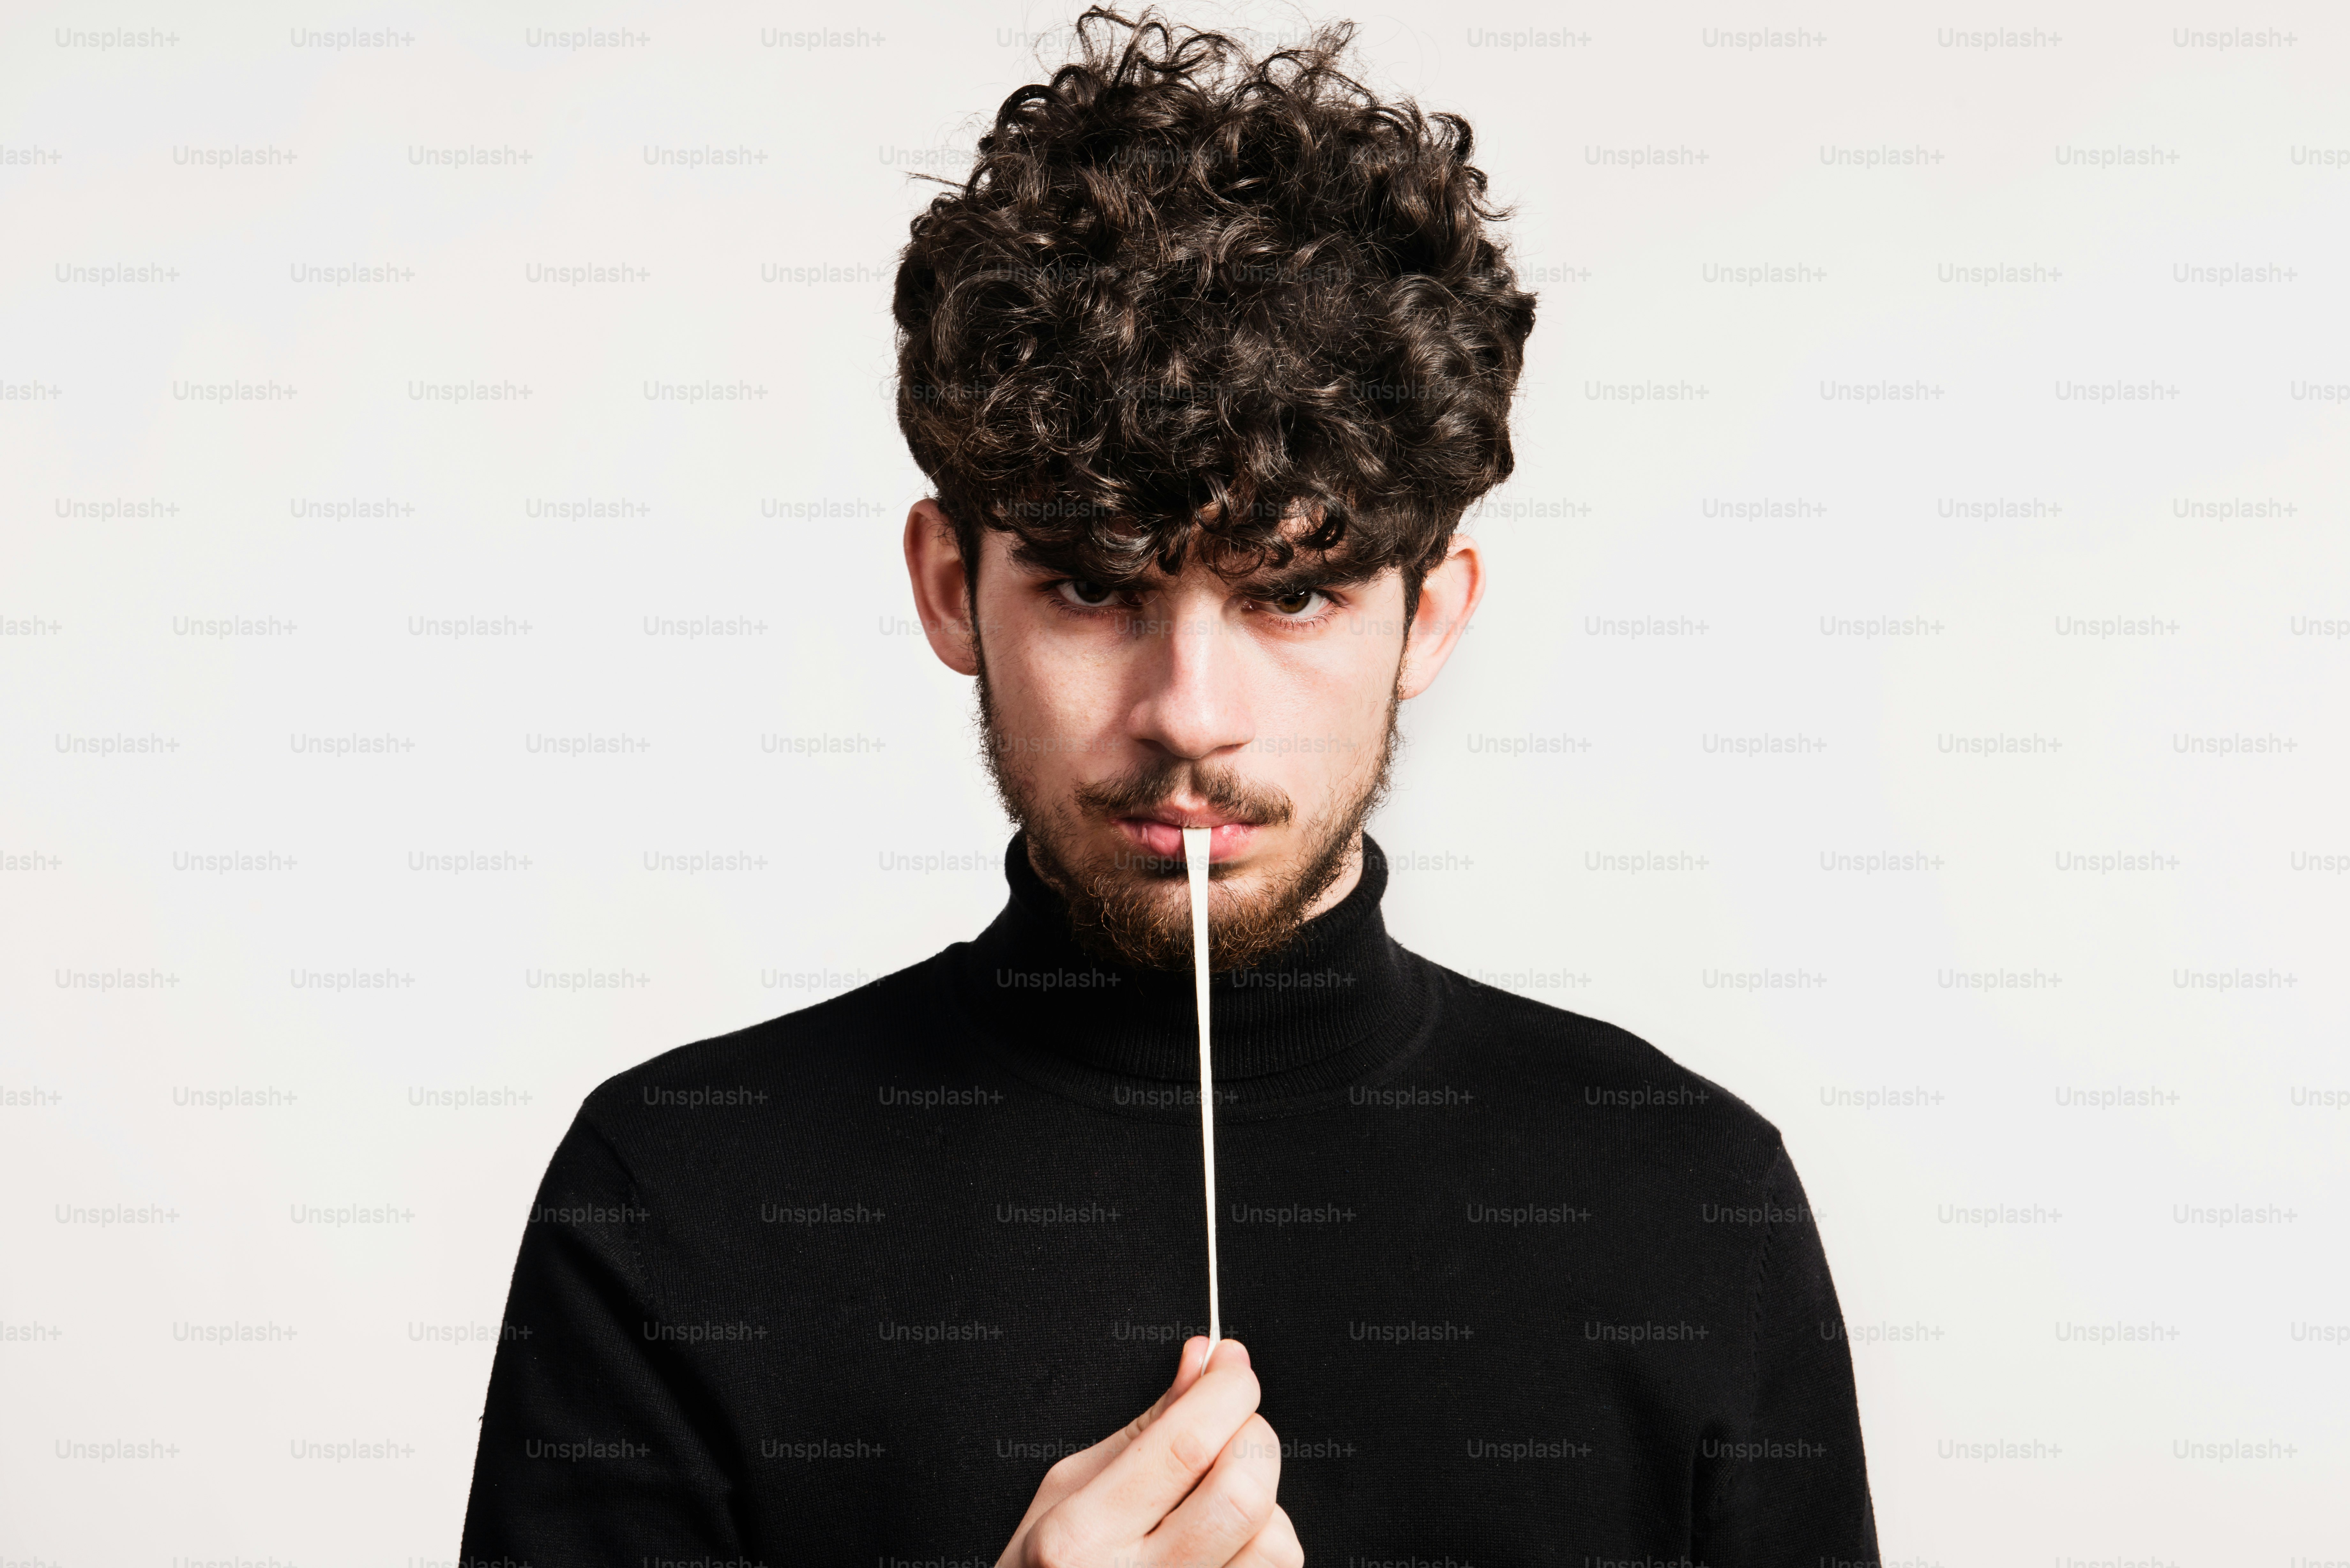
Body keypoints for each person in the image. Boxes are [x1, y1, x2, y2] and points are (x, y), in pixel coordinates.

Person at [460, 11, 1879, 1564]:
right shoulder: (681, 1194)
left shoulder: (1686, 1200)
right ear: (951, 588)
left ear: (1436, 615)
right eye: (1088, 587)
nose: (1189, 713)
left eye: (1291, 595)